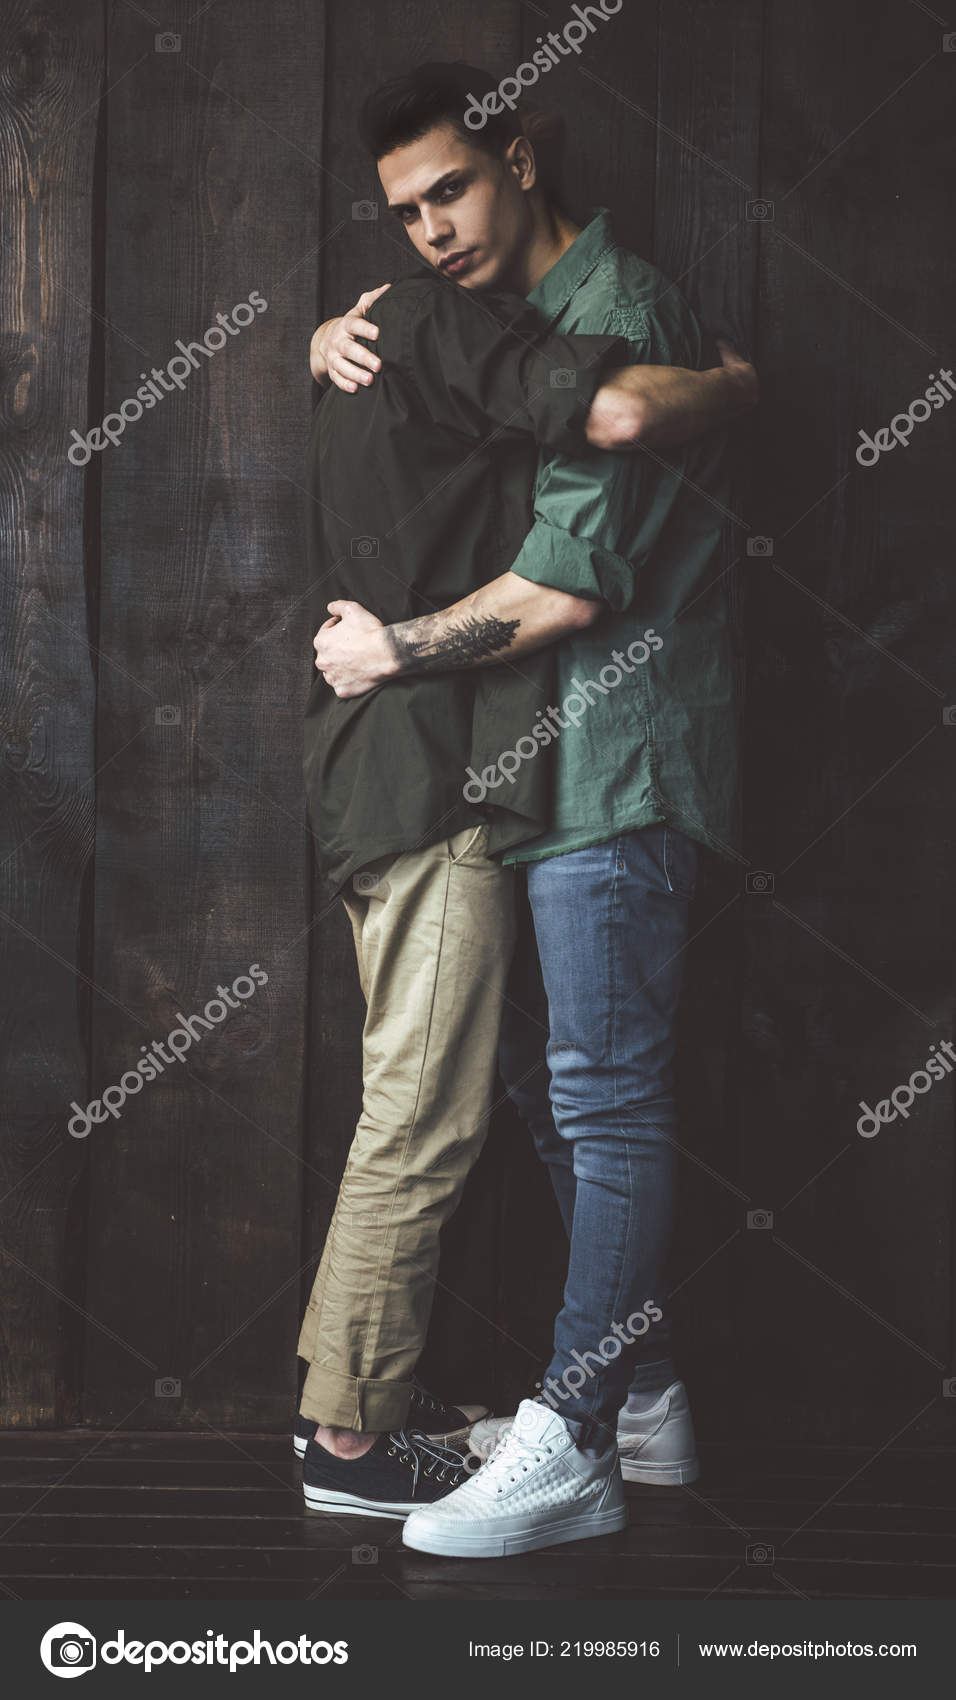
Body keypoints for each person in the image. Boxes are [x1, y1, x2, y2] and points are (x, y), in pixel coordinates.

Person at [310, 61, 749, 1557]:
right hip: (533, 772)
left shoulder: (615, 312)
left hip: (617, 757)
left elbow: (564, 583)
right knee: (552, 1102)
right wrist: (325, 341)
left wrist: (388, 650)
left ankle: (570, 1437)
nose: (432, 231)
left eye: (455, 189)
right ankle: (643, 1399)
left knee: (605, 1101)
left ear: (519, 158)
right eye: (406, 212)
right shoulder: (507, 327)